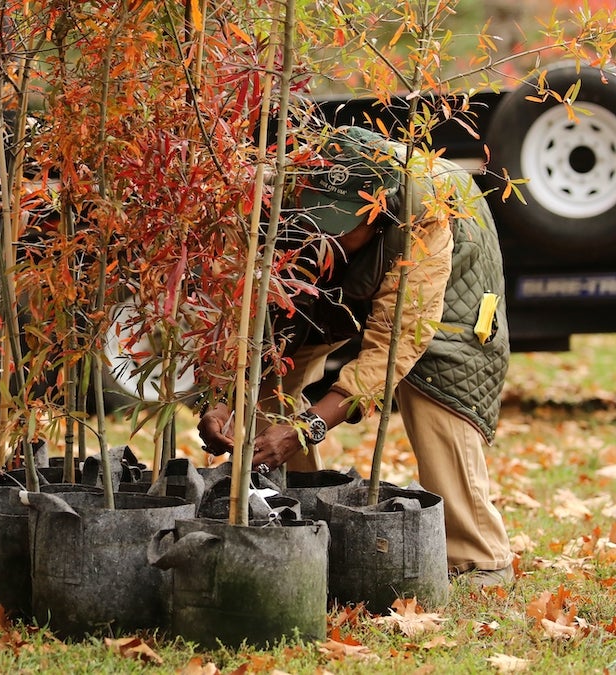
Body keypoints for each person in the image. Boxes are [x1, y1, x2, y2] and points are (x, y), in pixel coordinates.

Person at [198, 125, 514, 586]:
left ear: (379, 211)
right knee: (269, 380)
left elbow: (394, 346)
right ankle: (297, 510)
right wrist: (223, 396)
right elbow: (244, 317)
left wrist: (307, 427)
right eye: (320, 218)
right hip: (331, 283)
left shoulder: (425, 215)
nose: (327, 234)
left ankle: (479, 557)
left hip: (452, 283)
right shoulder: (280, 194)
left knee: (439, 400)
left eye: (343, 225)